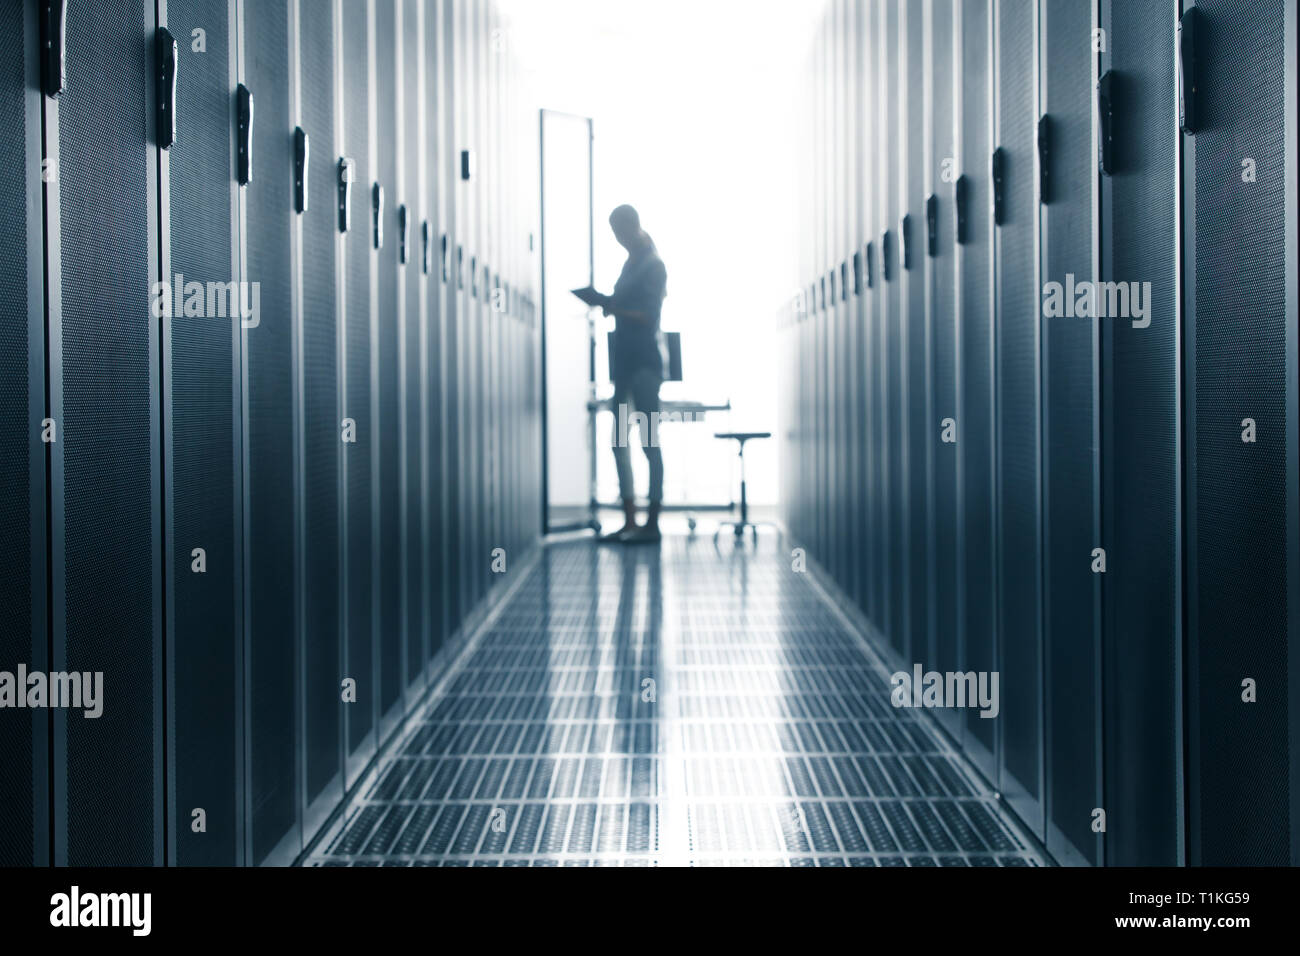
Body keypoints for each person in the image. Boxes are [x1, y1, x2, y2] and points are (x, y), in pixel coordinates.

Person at [594, 205, 668, 544]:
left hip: (644, 368)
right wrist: (611, 305)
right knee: (619, 443)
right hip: (624, 367)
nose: (618, 239)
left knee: (649, 443)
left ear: (632, 227)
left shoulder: (653, 265)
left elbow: (648, 316)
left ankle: (651, 524)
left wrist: (614, 308)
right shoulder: (631, 263)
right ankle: (630, 522)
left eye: (620, 232)